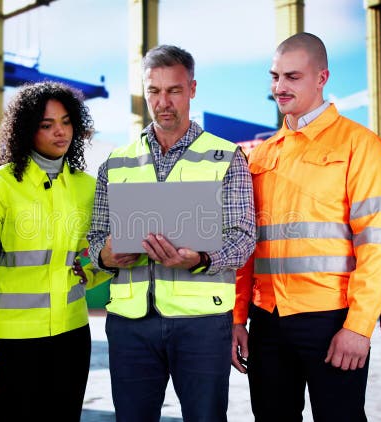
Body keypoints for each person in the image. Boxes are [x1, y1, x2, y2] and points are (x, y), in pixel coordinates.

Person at [231, 32, 381, 421]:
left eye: (292, 77)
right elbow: (246, 247)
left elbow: (377, 244)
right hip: (268, 322)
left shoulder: (360, 146)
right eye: (274, 77)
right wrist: (239, 318)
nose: (279, 87)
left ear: (322, 78)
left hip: (332, 320)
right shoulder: (261, 156)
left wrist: (358, 327)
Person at [87, 44, 256, 422]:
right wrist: (105, 256)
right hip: (131, 324)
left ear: (192, 89)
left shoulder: (226, 157)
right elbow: (96, 236)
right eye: (154, 91)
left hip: (201, 325)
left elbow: (243, 238)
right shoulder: (116, 162)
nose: (163, 101)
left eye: (174, 90)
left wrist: (200, 259)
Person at [0, 82, 108, 421]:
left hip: (72, 337)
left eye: (66, 121)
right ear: (27, 129)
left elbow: (110, 251)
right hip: (11, 341)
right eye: (47, 125)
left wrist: (89, 271)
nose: (60, 132)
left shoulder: (87, 186)